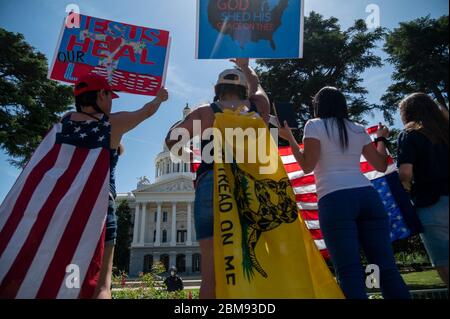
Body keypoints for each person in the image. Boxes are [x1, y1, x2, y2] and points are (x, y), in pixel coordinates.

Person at [279, 86, 410, 299]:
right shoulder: (357, 128)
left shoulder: (314, 125)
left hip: (334, 198)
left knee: (349, 270)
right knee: (386, 268)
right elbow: (379, 165)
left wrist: (290, 138)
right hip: (368, 196)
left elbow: (306, 166)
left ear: (318, 106)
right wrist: (380, 140)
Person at [165, 58, 270, 299]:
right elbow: (259, 91)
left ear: (217, 90)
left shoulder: (205, 112)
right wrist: (246, 67)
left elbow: (172, 140)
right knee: (251, 263)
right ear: (244, 90)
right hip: (246, 186)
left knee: (210, 274)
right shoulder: (256, 110)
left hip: (212, 183)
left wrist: (190, 153)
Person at [66, 74, 168, 298]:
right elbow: (146, 111)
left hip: (64, 207)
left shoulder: (61, 125)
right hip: (97, 206)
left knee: (69, 279)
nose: (112, 101)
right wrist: (159, 98)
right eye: (110, 95)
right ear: (101, 95)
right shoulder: (111, 123)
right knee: (101, 285)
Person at [397, 93, 449, 287]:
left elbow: (405, 173)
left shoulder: (410, 134)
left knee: (444, 262)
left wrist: (404, 190)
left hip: (431, 203)